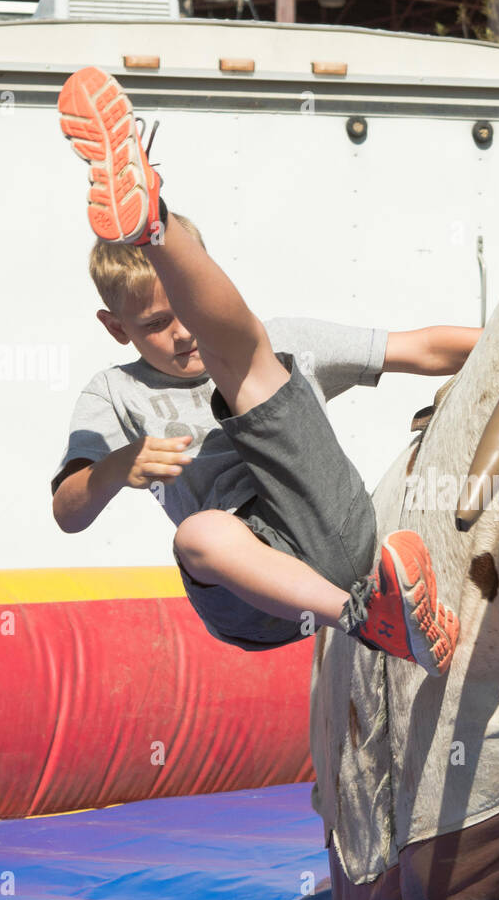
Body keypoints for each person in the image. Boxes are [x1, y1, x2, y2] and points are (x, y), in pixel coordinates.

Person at [51, 66, 475, 673]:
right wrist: (121, 464)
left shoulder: (282, 343)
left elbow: (421, 348)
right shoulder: (116, 391)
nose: (182, 333)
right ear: (116, 328)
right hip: (250, 600)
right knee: (196, 535)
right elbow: (69, 512)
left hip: (332, 531)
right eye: (153, 326)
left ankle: (153, 226)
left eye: (185, 312)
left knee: (252, 359)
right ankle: (365, 618)